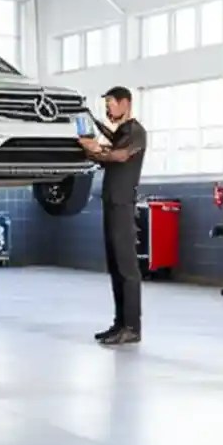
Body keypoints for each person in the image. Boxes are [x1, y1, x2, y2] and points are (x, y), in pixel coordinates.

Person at [79, 86, 148, 345]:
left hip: (122, 206)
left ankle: (132, 327)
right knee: (115, 267)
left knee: (127, 268)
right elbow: (107, 152)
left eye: (111, 103)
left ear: (125, 103)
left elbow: (119, 155)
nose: (108, 108)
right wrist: (90, 147)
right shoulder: (121, 133)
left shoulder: (136, 132)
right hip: (110, 204)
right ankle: (119, 324)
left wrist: (96, 149)